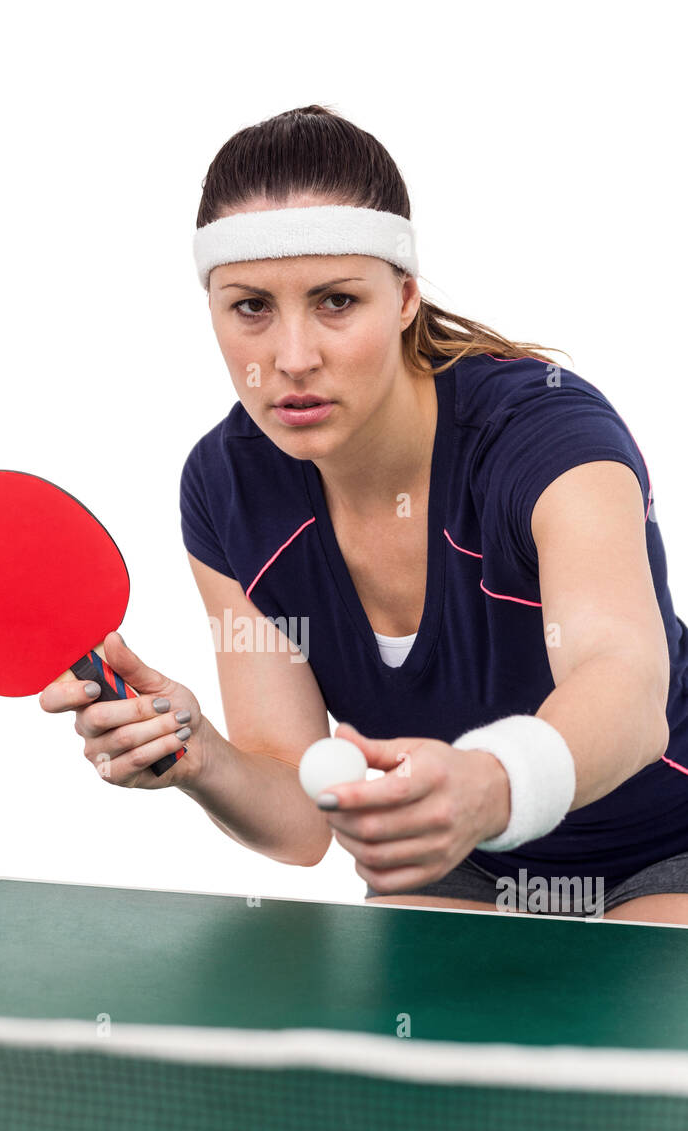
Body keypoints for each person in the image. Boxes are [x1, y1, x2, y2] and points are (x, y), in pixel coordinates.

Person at [41, 104, 688, 924]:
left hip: (669, 844)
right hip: (461, 862)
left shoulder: (551, 435)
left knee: (639, 1044)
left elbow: (626, 691)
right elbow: (301, 814)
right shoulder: (225, 486)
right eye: (251, 308)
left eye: (337, 301)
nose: (293, 357)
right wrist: (197, 755)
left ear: (407, 296)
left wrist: (489, 784)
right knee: (404, 1044)